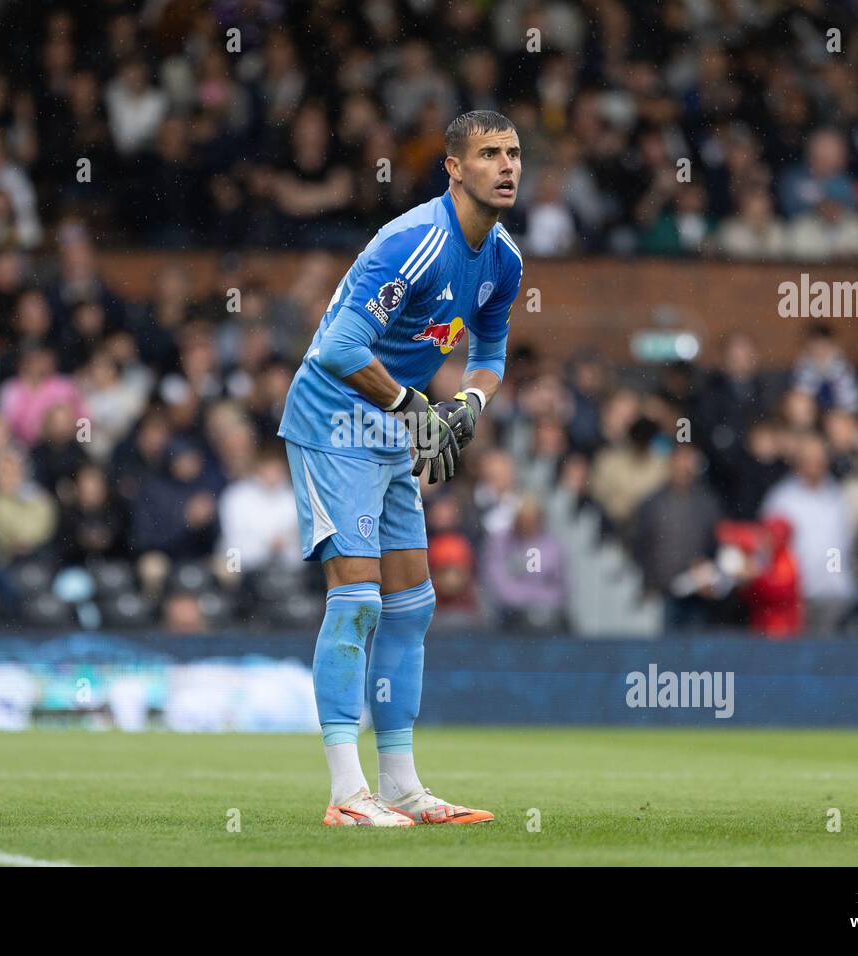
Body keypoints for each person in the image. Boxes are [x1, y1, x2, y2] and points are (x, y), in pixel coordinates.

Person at [277, 110, 521, 826]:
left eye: (513, 153)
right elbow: (339, 350)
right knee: (356, 601)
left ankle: (402, 786)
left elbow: (491, 352)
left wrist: (469, 405)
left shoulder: (503, 259)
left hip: (391, 430)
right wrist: (417, 406)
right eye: (488, 155)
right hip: (332, 423)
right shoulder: (413, 243)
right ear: (453, 167)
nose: (506, 166)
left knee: (412, 608)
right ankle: (346, 793)